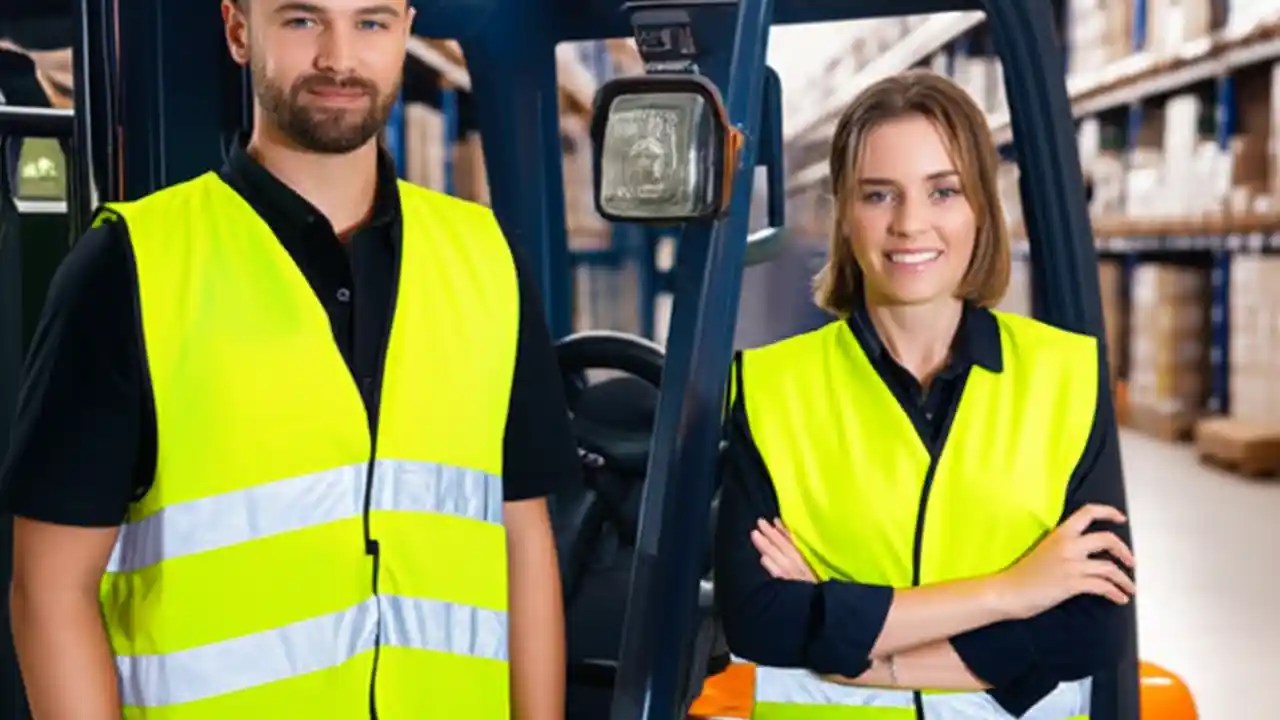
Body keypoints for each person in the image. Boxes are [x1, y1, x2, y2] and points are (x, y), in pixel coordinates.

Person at [0, 1, 578, 717]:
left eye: (370, 23)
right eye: (303, 20)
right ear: (240, 31)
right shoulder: (129, 268)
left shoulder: (485, 260)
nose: (339, 58)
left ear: (405, 30)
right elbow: (49, 589)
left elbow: (522, 537)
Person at [712, 69, 1137, 719]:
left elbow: (1089, 628)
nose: (911, 224)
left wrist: (855, 648)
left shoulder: (1066, 377)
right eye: (879, 195)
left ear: (980, 210)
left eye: (943, 192)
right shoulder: (771, 389)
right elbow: (760, 620)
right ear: (845, 216)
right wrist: (1012, 591)